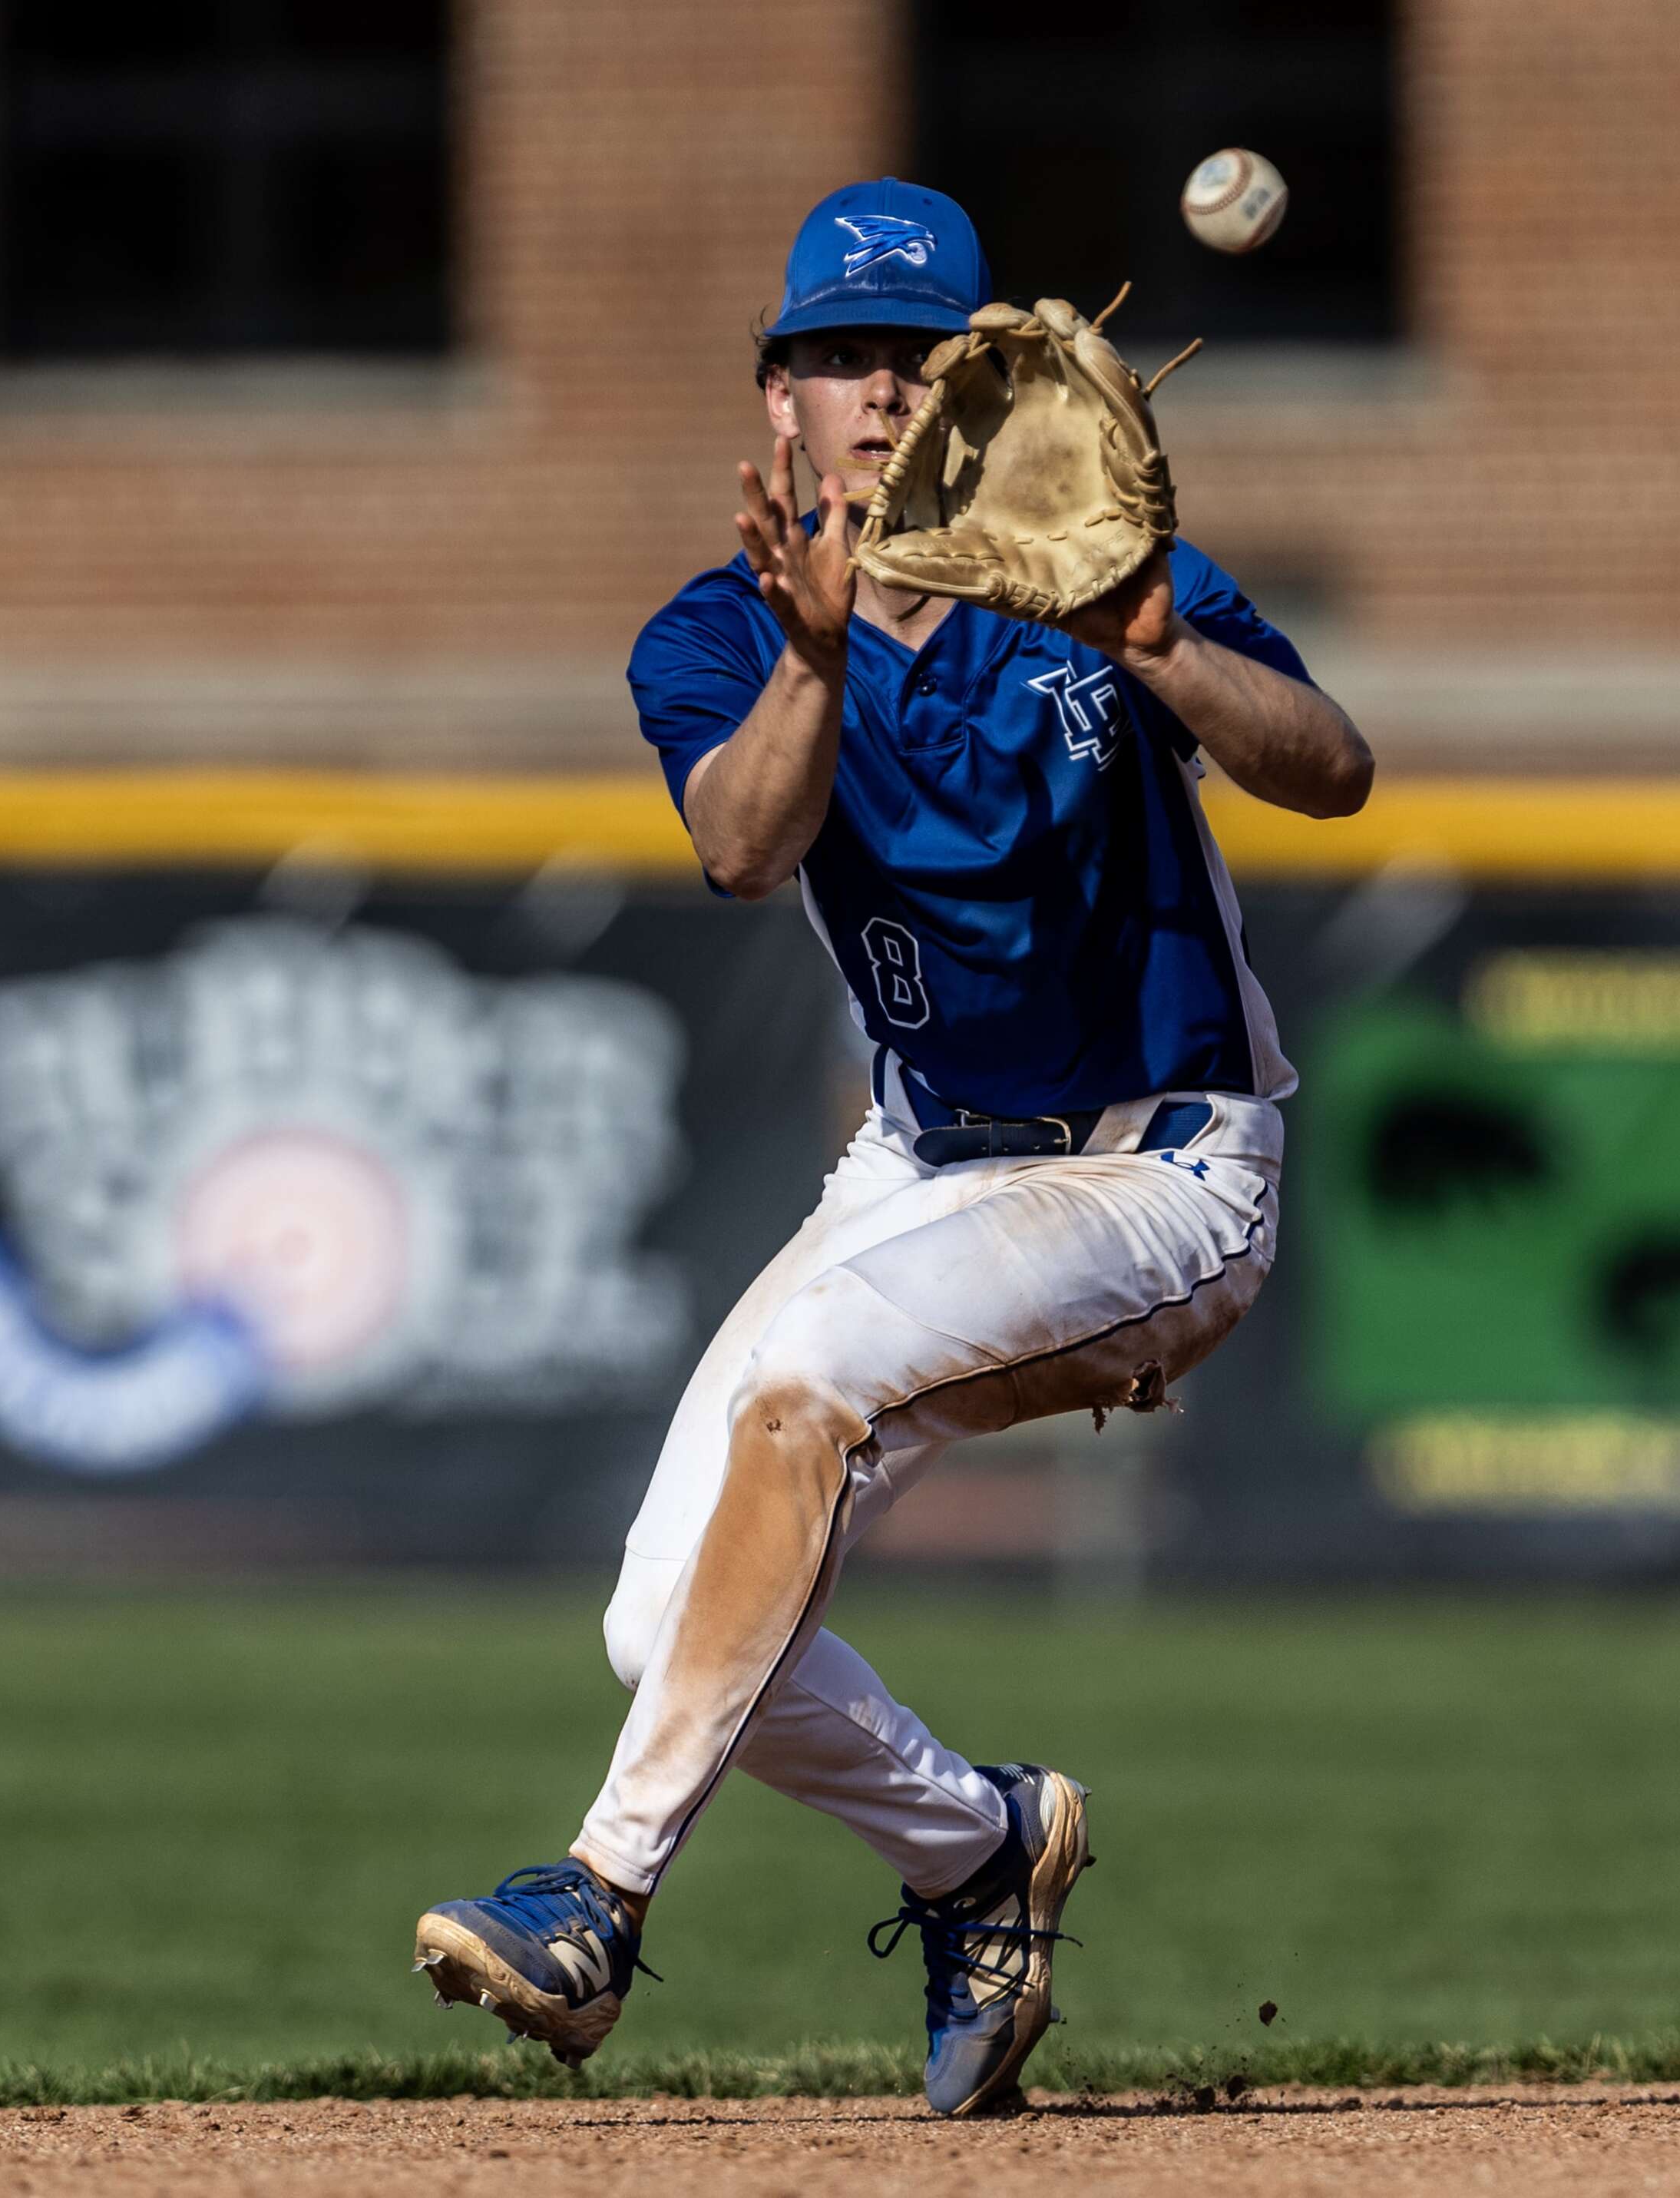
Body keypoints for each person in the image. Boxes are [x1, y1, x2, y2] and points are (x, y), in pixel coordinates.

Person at [410, 177, 1372, 2118]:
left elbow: (1329, 769)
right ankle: (972, 1848)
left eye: (905, 354)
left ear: (968, 389)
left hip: (1161, 1166)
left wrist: (1163, 639)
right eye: (827, 357)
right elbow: (740, 846)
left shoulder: (1096, 575)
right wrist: (817, 660)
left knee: (817, 1386)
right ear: (774, 404)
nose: (866, 390)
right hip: (927, 1161)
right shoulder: (721, 633)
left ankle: (598, 1897)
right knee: (653, 1621)